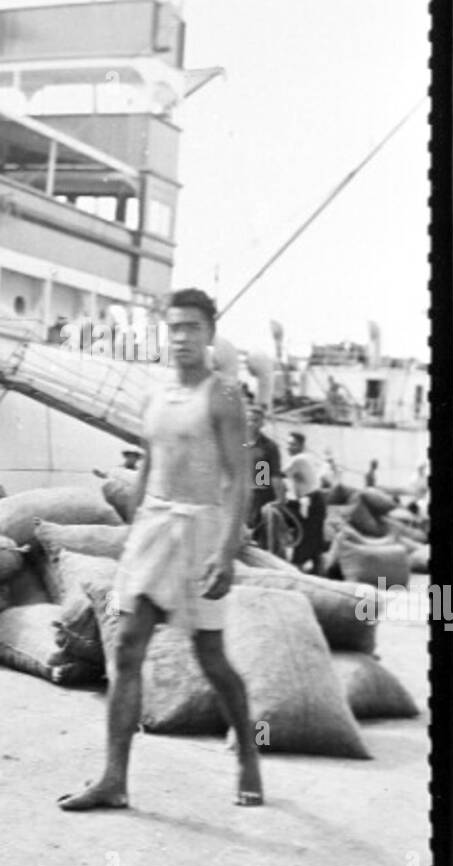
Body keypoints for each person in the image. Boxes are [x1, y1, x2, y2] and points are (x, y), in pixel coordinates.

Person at [58, 287, 263, 811]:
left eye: (192, 327)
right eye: (173, 327)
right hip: (153, 529)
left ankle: (248, 757)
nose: (182, 337)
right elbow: (148, 464)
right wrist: (132, 536)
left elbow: (240, 481)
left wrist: (225, 551)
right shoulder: (152, 396)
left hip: (202, 530)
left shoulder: (224, 396)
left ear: (210, 333)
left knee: (210, 656)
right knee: (127, 649)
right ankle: (113, 779)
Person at [244, 396, 284, 542]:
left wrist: (280, 498)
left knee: (259, 536)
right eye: (248, 419)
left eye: (255, 420)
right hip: (240, 495)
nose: (250, 423)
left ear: (262, 423)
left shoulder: (266, 447)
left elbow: (270, 477)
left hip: (259, 496)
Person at [283, 454, 327, 573]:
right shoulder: (305, 459)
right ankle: (317, 570)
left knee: (306, 540)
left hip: (310, 502)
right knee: (314, 540)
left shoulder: (298, 461)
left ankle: (302, 569)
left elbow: (281, 475)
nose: (289, 447)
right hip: (314, 501)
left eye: (292, 444)